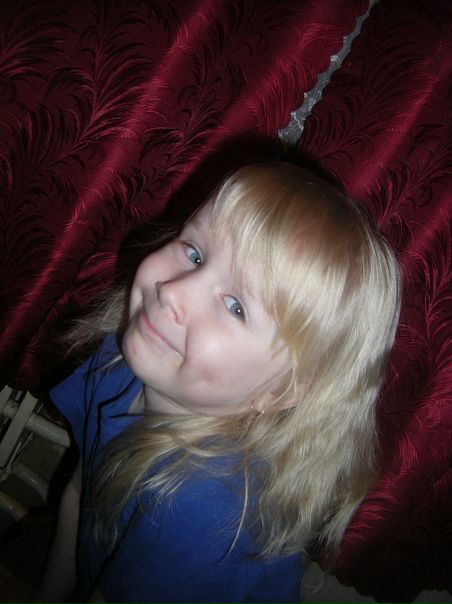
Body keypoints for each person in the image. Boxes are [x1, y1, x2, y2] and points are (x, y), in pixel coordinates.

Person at [7, 162, 401, 603]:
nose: (173, 292)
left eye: (235, 307)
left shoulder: (206, 509)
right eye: (194, 253)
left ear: (279, 392)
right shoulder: (118, 362)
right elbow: (81, 493)